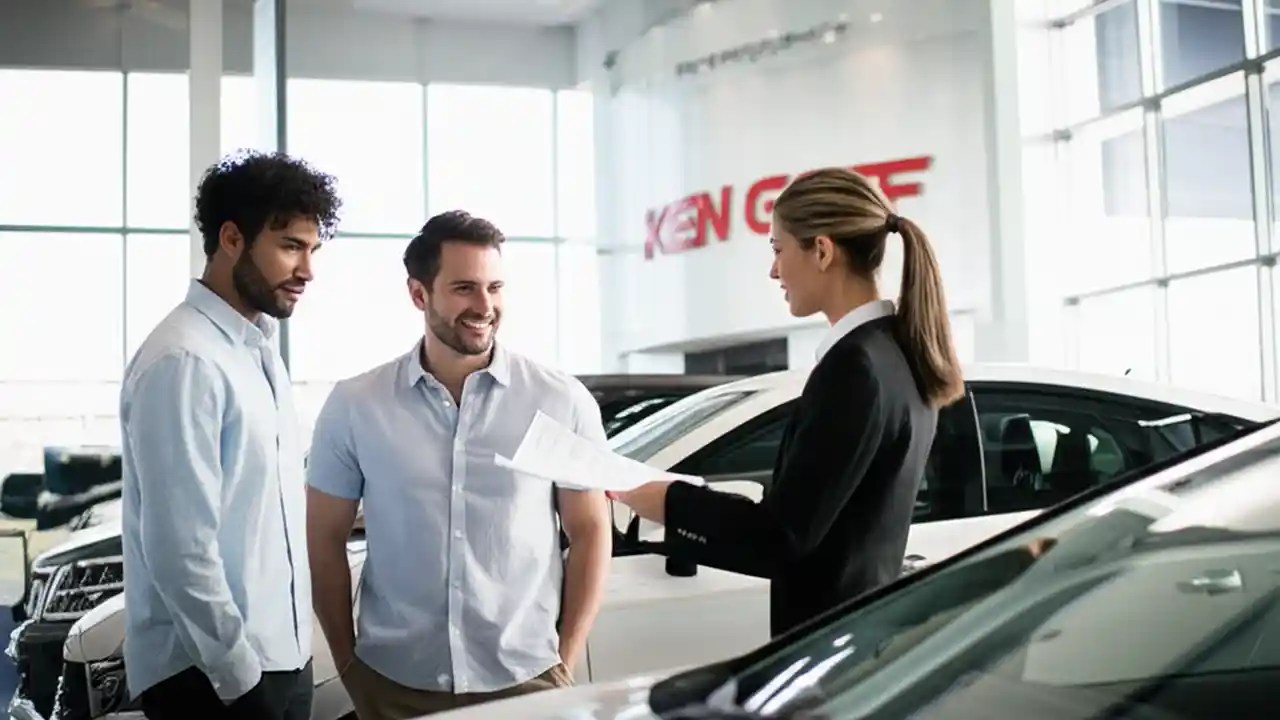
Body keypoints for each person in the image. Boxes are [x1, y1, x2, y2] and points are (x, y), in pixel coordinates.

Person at [610, 167, 965, 638]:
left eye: (778, 249)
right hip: (861, 639)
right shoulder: (896, 353)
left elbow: (780, 537)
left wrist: (664, 499)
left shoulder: (854, 368)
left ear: (821, 250)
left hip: (827, 650)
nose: (773, 270)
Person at [306, 210, 612, 719]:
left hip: (527, 681)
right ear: (419, 294)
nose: (485, 306)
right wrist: (348, 664)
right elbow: (322, 536)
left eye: (495, 287)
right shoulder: (357, 405)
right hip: (395, 684)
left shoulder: (560, 401)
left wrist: (565, 661)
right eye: (465, 288)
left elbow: (590, 529)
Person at [119, 150, 342, 719]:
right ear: (232, 239)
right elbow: (179, 548)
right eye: (291, 246)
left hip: (280, 662)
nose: (308, 270)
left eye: (312, 250)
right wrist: (239, 677)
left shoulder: (256, 351)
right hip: (215, 679)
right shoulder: (184, 360)